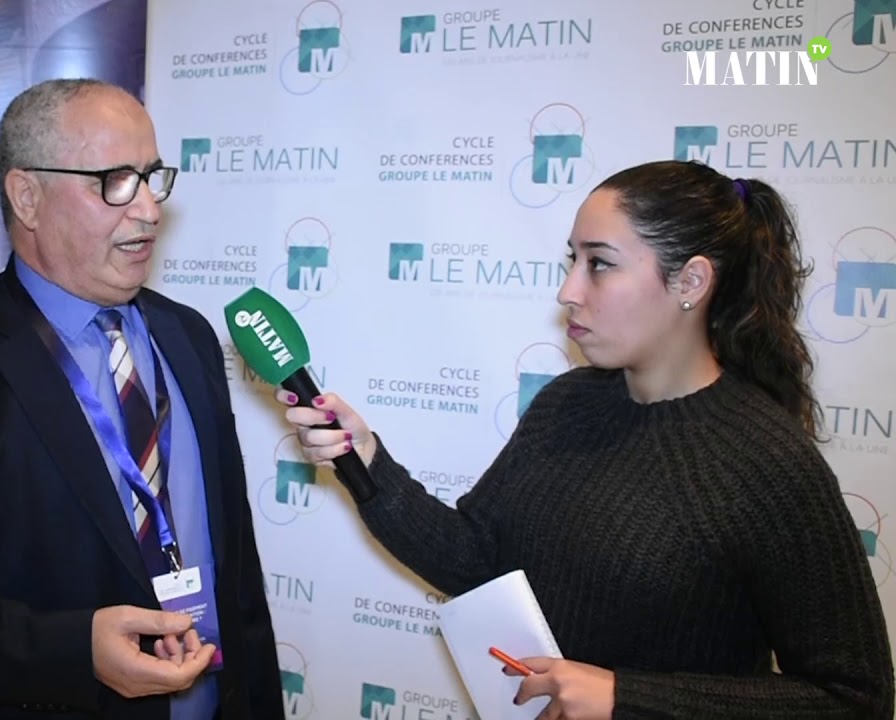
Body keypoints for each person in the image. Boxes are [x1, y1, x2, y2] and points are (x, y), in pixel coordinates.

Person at [278, 160, 894, 719]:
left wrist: (626, 698)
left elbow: (854, 698)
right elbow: (476, 561)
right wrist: (370, 465)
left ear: (691, 282)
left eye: (599, 263)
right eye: (571, 260)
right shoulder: (569, 403)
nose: (568, 290)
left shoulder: (766, 462)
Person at [0, 78, 283, 720]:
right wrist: (74, 651)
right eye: (116, 181)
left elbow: (237, 584)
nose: (148, 208)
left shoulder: (190, 336)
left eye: (152, 176)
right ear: (27, 196)